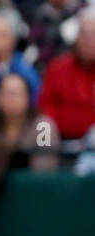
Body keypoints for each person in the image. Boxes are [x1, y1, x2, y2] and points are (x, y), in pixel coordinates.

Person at [38, 8, 95, 143]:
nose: (88, 40)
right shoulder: (58, 66)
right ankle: (44, 164)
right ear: (76, 38)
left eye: (93, 35)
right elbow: (46, 104)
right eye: (83, 34)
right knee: (42, 126)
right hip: (59, 134)